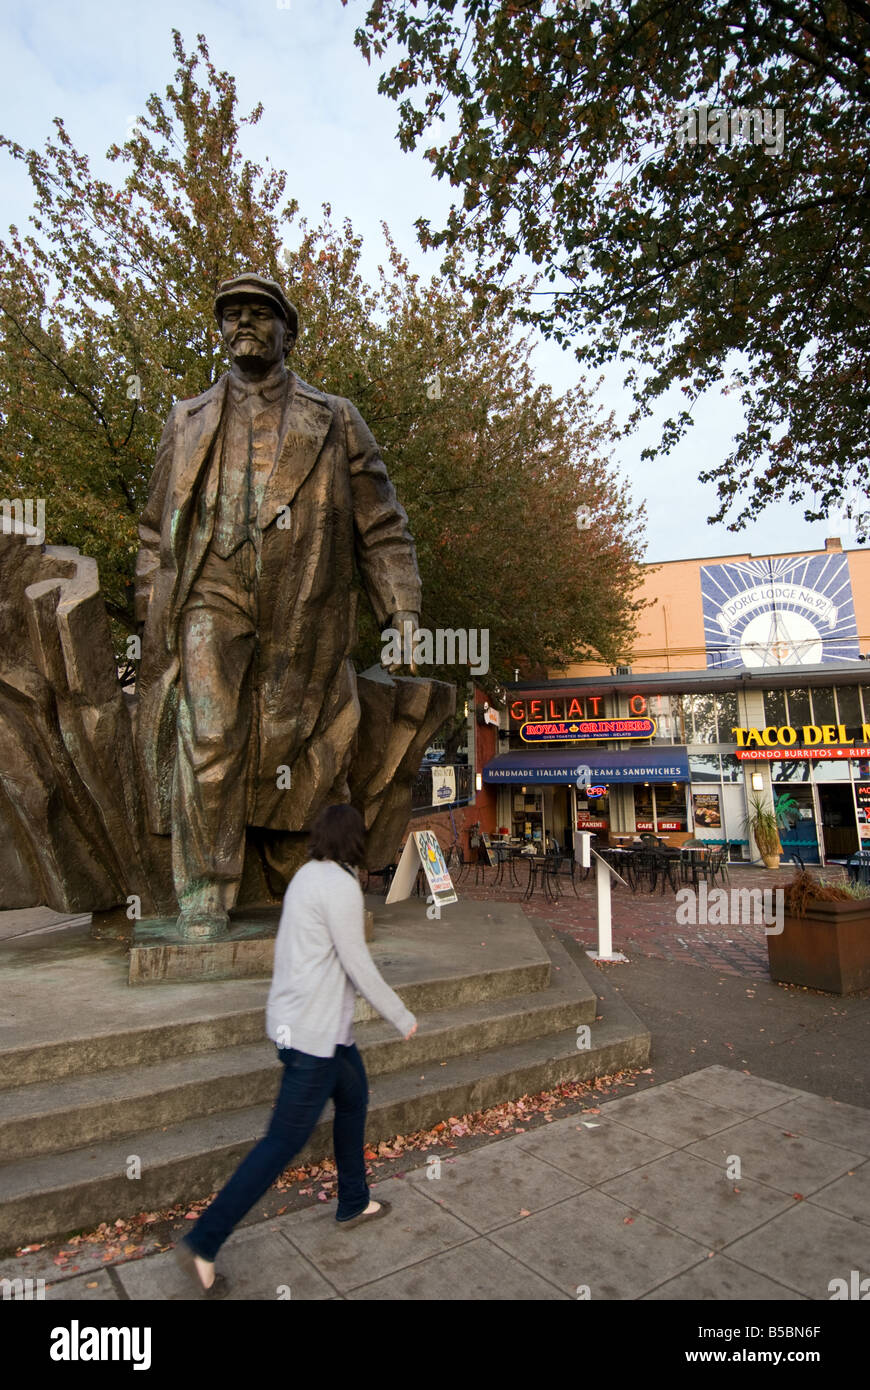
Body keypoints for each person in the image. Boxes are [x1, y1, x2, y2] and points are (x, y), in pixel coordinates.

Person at [174, 803, 417, 1298]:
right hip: (314, 1038)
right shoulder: (342, 887)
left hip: (306, 1029)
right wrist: (401, 1015)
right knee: (280, 1144)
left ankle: (353, 1199)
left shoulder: (307, 876)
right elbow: (358, 964)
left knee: (353, 1099)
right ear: (355, 840)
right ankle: (204, 1241)